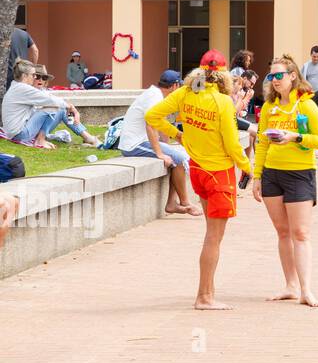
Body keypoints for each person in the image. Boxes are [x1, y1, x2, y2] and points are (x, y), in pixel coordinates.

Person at [145, 50, 249, 310]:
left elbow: (152, 116)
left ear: (199, 71)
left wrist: (178, 134)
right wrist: (249, 168)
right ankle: (204, 296)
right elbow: (232, 143)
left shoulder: (184, 93)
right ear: (224, 74)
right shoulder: (223, 102)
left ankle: (208, 291)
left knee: (210, 234)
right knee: (214, 238)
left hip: (199, 171)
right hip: (220, 173)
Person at [253, 55, 318, 308]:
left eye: (279, 76)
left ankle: (306, 290)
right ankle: (290, 285)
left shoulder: (306, 105)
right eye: (271, 76)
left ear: (292, 76)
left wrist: (295, 137)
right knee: (282, 231)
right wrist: (257, 176)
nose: (275, 81)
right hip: (272, 174)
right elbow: (263, 141)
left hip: (300, 172)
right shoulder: (269, 107)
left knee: (300, 232)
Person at [118, 69, 200, 216]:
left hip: (140, 141)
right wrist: (160, 153)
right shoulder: (155, 97)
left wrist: (168, 145)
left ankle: (171, 203)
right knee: (180, 159)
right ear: (174, 86)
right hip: (134, 145)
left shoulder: (156, 94)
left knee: (179, 155)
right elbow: (150, 124)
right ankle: (184, 202)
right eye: (179, 86)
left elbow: (160, 123)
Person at [2, 59, 100, 148]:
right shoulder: (23, 89)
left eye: (43, 77)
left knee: (60, 108)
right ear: (24, 76)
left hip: (20, 131)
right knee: (58, 108)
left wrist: (70, 108)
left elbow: (50, 100)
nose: (36, 78)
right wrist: (70, 107)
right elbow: (51, 101)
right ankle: (40, 140)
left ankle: (87, 136)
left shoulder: (18, 87)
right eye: (34, 75)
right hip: (20, 134)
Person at [5, 26, 38, 90]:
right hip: (23, 73)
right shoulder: (24, 34)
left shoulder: (4, 34)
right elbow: (35, 50)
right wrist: (32, 67)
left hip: (8, 72)